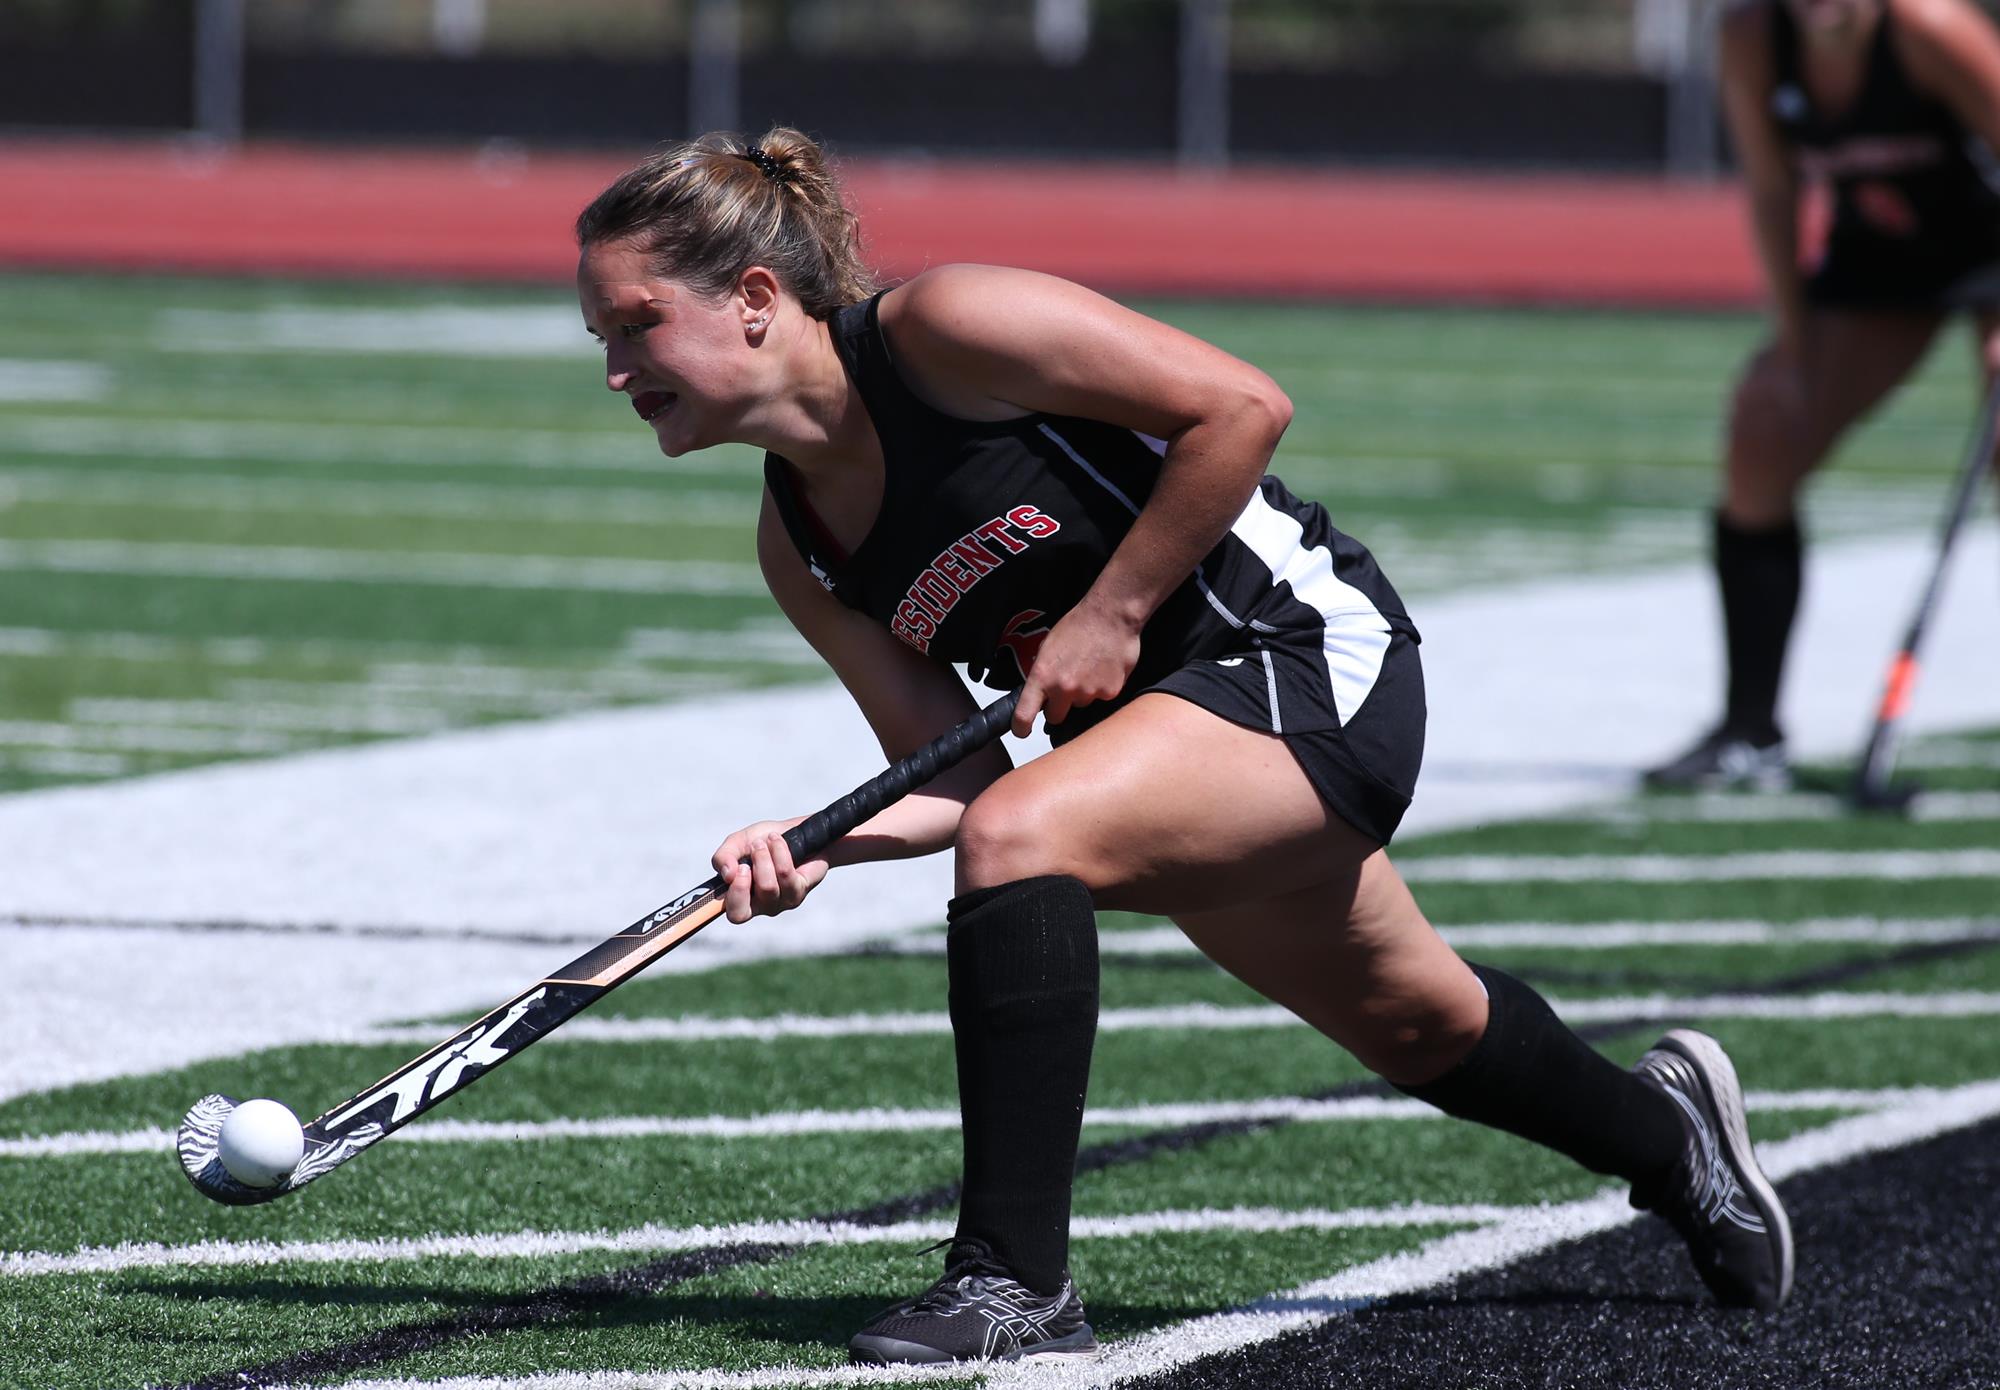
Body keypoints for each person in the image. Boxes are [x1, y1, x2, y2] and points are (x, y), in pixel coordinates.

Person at [574, 129, 1796, 1366]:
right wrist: (814, 846)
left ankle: (1011, 1281)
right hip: (1157, 751)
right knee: (1419, 1025)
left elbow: (1239, 405)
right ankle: (1669, 1140)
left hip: (1300, 656)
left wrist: (1109, 610)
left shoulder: (946, 328)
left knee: (1029, 834)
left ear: (754, 300)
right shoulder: (802, 550)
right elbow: (956, 778)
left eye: (634, 325)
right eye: (600, 341)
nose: (617, 369)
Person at [1647, 0, 2000, 790]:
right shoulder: (1750, 39)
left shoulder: (1932, 31)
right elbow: (1773, 191)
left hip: (1992, 247)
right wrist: (1794, 343)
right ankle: (1751, 733)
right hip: (1882, 259)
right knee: (1766, 422)